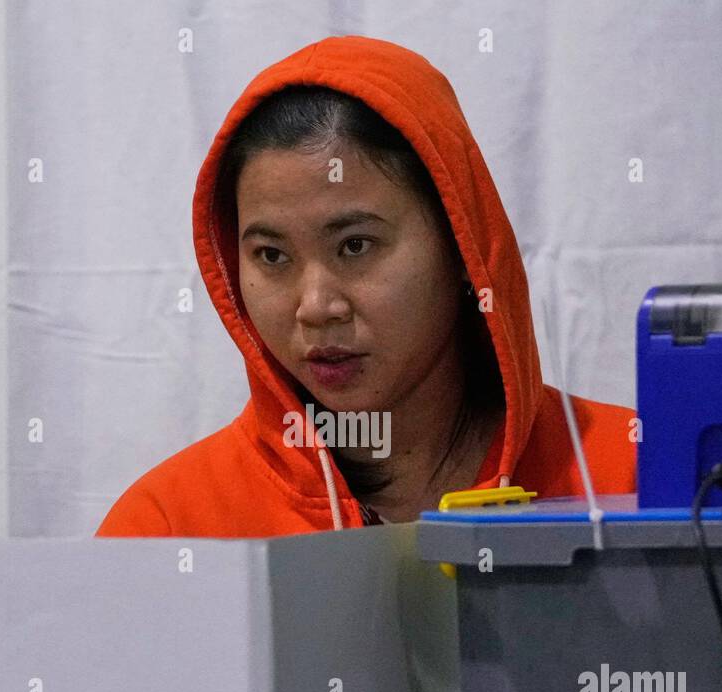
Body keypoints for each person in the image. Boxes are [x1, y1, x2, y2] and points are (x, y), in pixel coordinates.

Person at [97, 35, 636, 537]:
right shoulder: (169, 525)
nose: (315, 307)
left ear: (461, 246)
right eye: (271, 255)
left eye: (355, 246)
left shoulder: (639, 473)